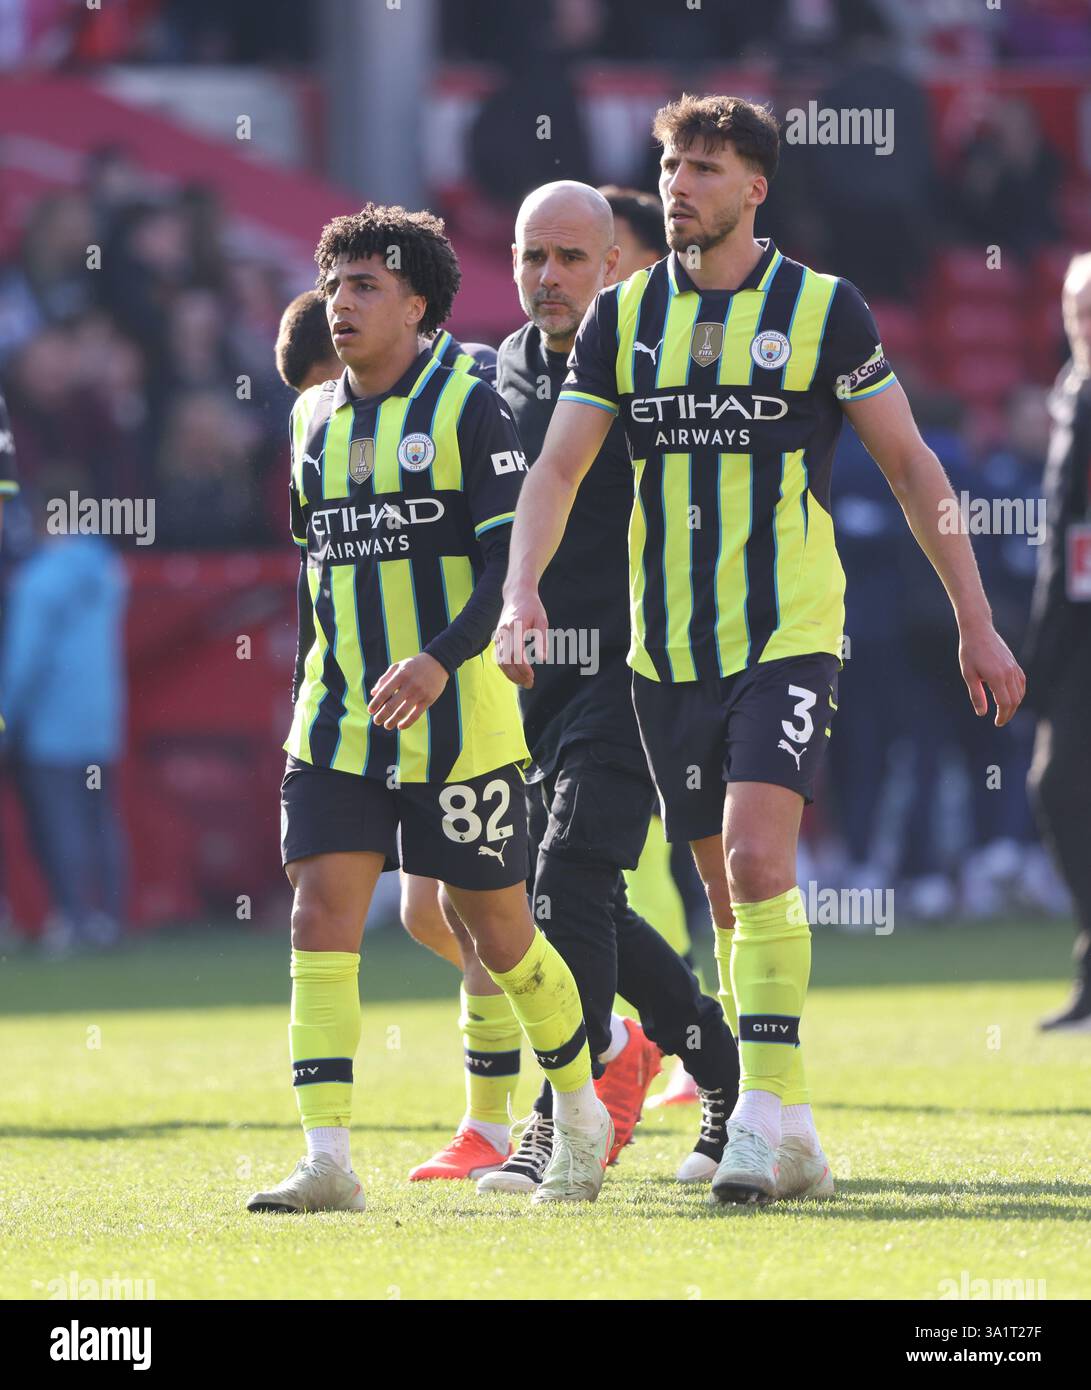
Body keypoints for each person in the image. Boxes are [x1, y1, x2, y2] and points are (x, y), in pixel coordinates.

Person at [497, 94, 1025, 1206]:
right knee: (723, 896)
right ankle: (790, 1127)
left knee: (751, 857)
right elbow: (554, 470)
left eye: (701, 167)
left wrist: (976, 620)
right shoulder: (623, 315)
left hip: (786, 631)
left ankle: (759, 1125)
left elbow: (911, 467)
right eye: (670, 164)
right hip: (664, 649)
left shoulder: (822, 310)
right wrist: (520, 594)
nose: (677, 185)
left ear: (753, 189)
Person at [247, 205, 611, 1215]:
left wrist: (441, 660)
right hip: (336, 721)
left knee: (491, 925)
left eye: (366, 286)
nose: (344, 303)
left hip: (456, 717)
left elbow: (505, 557)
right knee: (320, 913)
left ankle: (577, 1107)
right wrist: (327, 679)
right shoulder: (309, 416)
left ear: (417, 303)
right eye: (335, 285)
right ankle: (327, 1157)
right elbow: (320, 563)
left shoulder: (467, 405)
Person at [1025, 252, 1091, 1031]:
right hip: (1076, 627)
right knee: (1057, 784)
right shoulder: (1072, 390)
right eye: (1076, 304)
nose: (1081, 317)